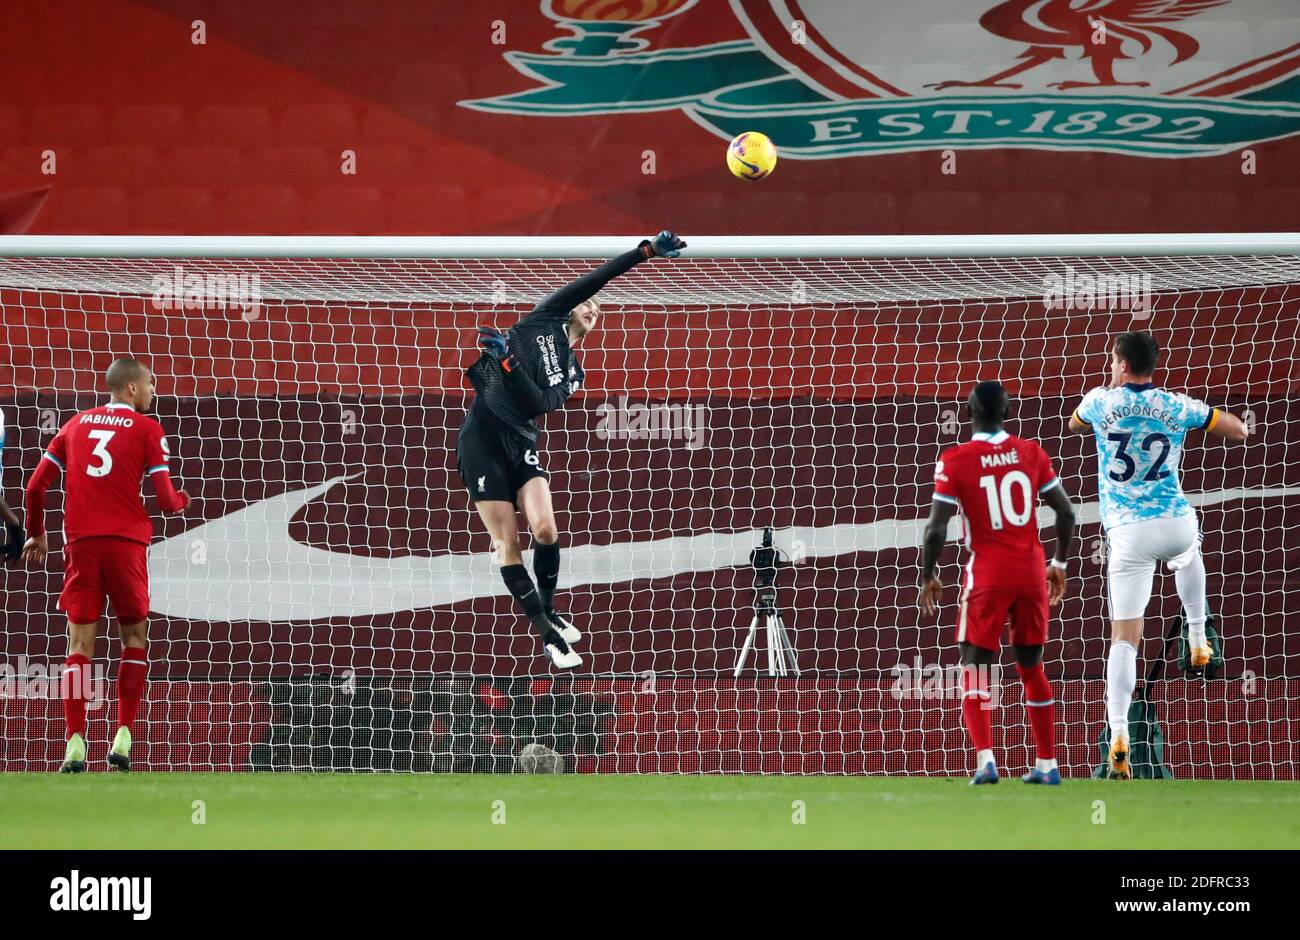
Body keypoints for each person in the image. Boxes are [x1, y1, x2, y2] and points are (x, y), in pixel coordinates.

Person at [457, 231, 686, 669]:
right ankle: (547, 636)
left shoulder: (573, 372)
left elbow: (538, 404)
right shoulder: (546, 315)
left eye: (598, 310)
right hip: (482, 437)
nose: (593, 308)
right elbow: (599, 277)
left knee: (545, 531)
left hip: (521, 439)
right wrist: (646, 252)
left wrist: (509, 363)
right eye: (590, 304)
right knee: (508, 543)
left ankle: (549, 611)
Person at [1069, 331, 1248, 779]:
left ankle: (1118, 735)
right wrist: (1198, 418)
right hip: (1174, 521)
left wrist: (1109, 401)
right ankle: (1197, 635)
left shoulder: (1100, 401)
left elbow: (1073, 423)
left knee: (1125, 639)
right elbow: (1238, 429)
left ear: (1122, 365)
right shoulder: (1175, 404)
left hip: (1129, 535)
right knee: (1190, 551)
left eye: (1112, 360)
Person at [24, 358, 191, 772]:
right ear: (131, 389)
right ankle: (124, 734)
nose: (154, 391)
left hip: (81, 544)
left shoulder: (75, 424)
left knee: (79, 646)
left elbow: (34, 486)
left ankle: (75, 741)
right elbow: (168, 501)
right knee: (134, 636)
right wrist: (183, 500)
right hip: (127, 545)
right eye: (150, 384)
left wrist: (37, 532)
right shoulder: (149, 429)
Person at [920, 381, 1076, 785]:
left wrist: (928, 574)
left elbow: (936, 528)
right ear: (1007, 411)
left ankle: (986, 761)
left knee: (974, 666)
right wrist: (1058, 562)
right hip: (1030, 570)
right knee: (1031, 665)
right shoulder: (1030, 452)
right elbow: (1066, 513)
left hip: (988, 572)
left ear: (969, 411)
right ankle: (1047, 766)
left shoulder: (955, 459)